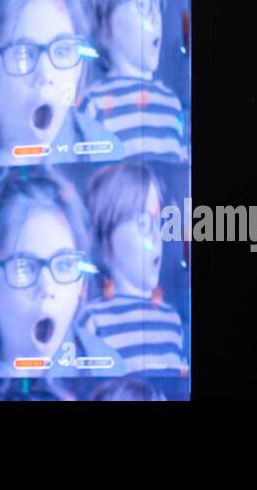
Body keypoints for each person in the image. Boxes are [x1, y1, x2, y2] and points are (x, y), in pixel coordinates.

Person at [0, 173, 122, 381]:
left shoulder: (109, 372)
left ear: (80, 285)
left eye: (64, 265)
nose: (46, 288)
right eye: (24, 266)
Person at [0, 0, 120, 168]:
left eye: (62, 51)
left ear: (79, 68)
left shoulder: (106, 150)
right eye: (23, 53)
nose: (46, 74)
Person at [79, 160, 187, 379]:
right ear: (106, 235)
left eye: (158, 223)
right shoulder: (91, 321)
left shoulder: (172, 321)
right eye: (144, 224)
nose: (157, 238)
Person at [81, 0, 187, 163]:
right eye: (143, 4)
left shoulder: (171, 102)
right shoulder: (92, 105)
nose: (156, 18)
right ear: (104, 26)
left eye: (157, 3)